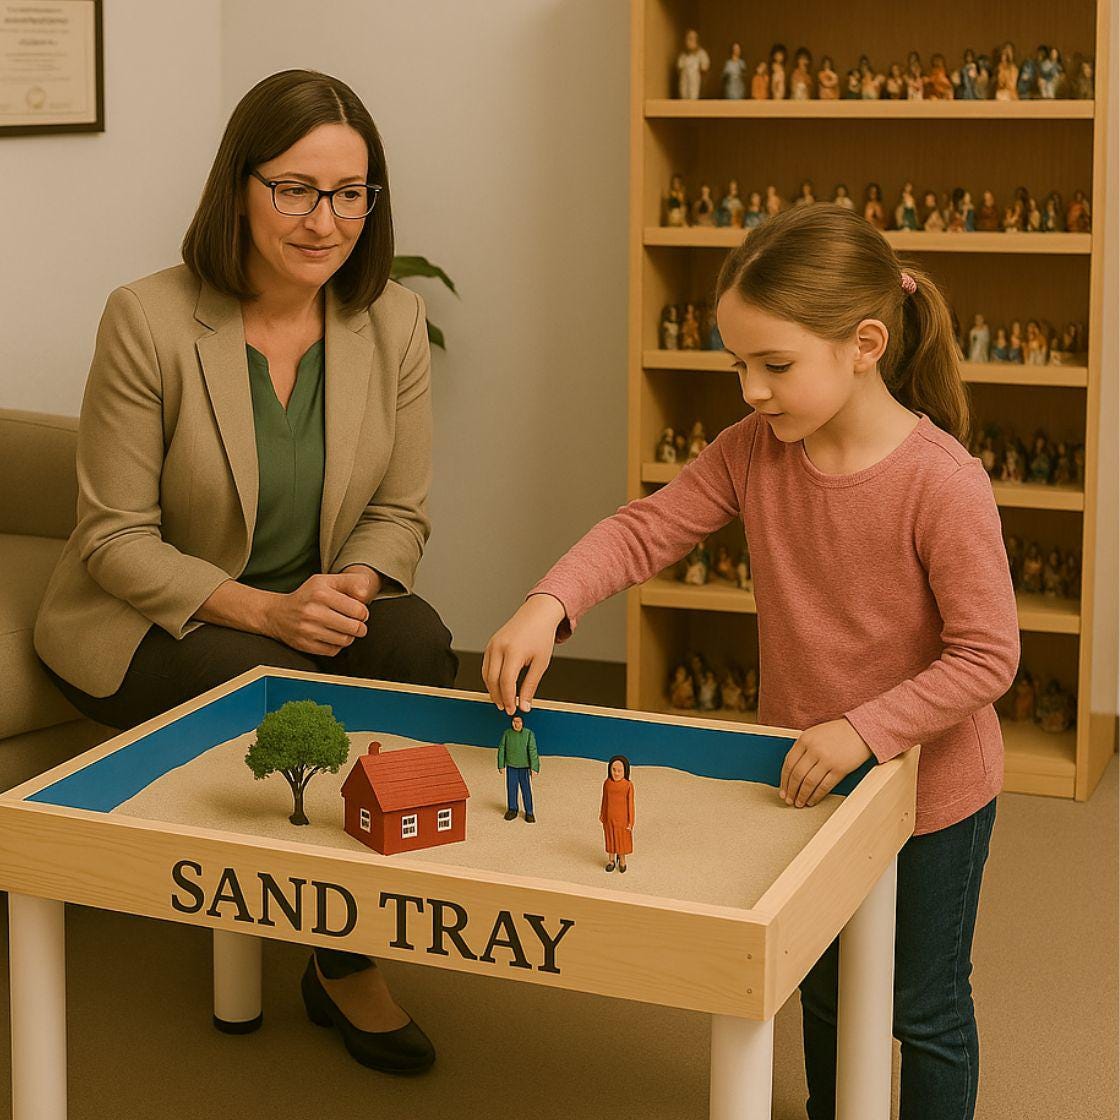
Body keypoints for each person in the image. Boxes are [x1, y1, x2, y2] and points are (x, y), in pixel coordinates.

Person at [482, 203, 1019, 1120]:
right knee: (818, 983)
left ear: (866, 343)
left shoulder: (943, 482)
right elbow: (646, 528)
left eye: (774, 365)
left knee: (919, 1007)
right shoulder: (751, 453)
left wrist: (862, 728)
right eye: (738, 364)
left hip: (933, 794)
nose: (751, 391)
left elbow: (987, 657)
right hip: (806, 780)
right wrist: (550, 601)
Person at [34, 69, 458, 1075]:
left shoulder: (389, 321)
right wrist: (267, 611)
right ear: (239, 189)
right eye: (296, 189)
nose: (326, 220)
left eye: (351, 193)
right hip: (151, 615)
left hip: (311, 603)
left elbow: (399, 511)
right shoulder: (147, 318)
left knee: (418, 644)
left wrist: (348, 587)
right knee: (260, 691)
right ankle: (337, 952)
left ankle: (341, 936)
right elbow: (112, 536)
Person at [496, 714, 539, 821]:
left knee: (526, 790)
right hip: (511, 767)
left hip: (524, 768)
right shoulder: (507, 734)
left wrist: (534, 768)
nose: (516, 724)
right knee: (511, 789)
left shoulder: (528, 734)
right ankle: (512, 809)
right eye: (514, 721)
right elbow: (502, 749)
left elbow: (533, 751)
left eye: (518, 721)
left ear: (522, 723)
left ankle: (529, 811)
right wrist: (501, 765)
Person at [599, 755, 635, 872]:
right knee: (610, 839)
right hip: (609, 818)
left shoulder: (628, 786)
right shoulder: (607, 784)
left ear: (625, 771)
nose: (616, 773)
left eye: (619, 771)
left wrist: (631, 821)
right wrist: (602, 814)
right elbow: (605, 800)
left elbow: (631, 804)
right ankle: (611, 860)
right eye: (614, 770)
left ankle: (622, 860)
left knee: (622, 841)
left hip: (622, 820)